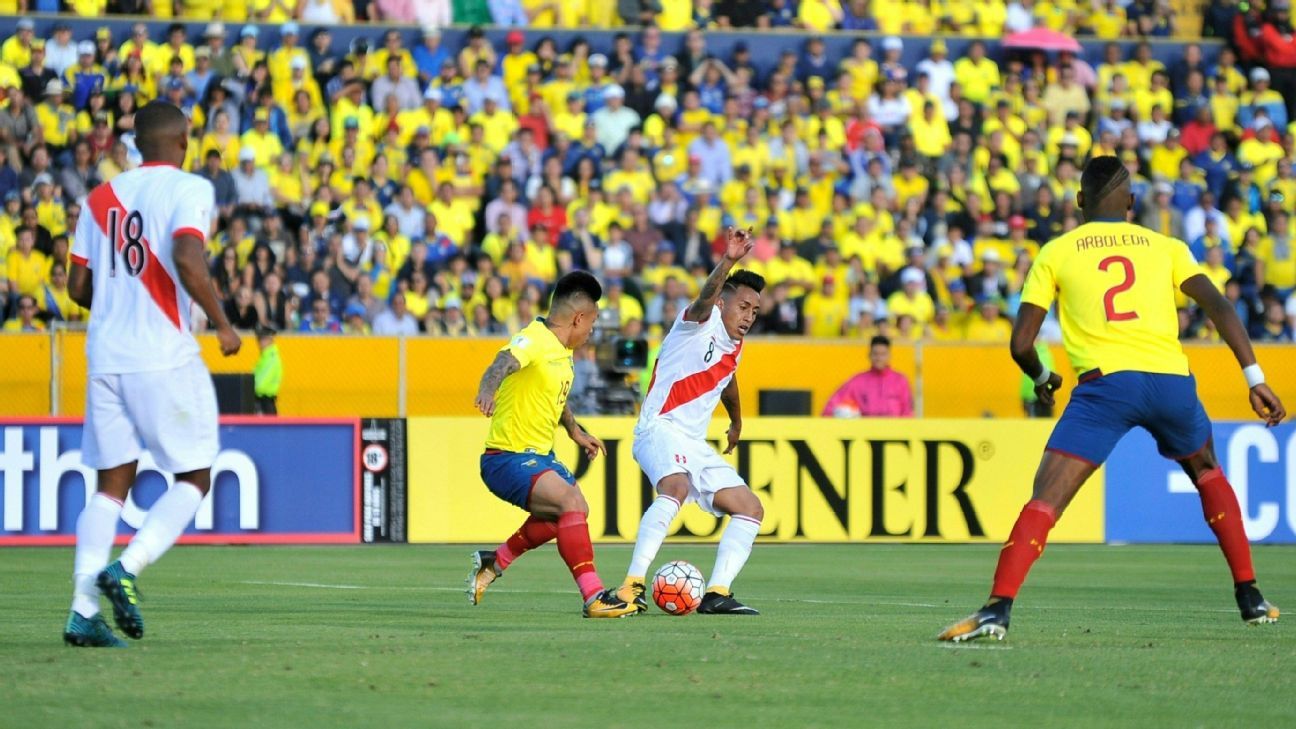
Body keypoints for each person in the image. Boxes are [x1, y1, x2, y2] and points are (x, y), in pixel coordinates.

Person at [939, 157, 1286, 643]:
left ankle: (998, 608)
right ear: (1131, 203)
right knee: (1206, 470)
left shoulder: (1056, 252)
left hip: (1106, 388)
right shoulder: (1166, 247)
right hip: (1170, 381)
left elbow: (1021, 344)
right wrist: (1254, 377)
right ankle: (1249, 595)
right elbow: (1219, 305)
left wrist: (1043, 376)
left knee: (1047, 497)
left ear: (1080, 201)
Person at [63, 101, 242, 648]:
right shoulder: (191, 188)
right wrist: (222, 324)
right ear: (184, 139)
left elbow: (75, 288)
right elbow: (188, 257)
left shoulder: (98, 198)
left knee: (109, 487)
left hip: (104, 355)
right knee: (195, 477)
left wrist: (118, 306)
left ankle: (82, 611)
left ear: (137, 143)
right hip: (162, 353)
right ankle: (128, 568)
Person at [615, 227, 768, 616]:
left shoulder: (735, 346)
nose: (748, 316)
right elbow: (704, 297)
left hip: (693, 443)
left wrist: (736, 420)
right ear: (723, 304)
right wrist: (729, 260)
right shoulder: (698, 322)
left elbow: (727, 377)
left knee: (750, 507)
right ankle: (631, 585)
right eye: (743, 307)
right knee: (676, 485)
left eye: (754, 311)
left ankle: (717, 593)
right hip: (659, 428)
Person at [465, 271, 636, 619]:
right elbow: (502, 362)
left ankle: (493, 562)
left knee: (573, 513)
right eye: (592, 322)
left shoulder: (562, 351)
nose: (592, 331)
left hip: (539, 456)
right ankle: (594, 598)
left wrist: (575, 431)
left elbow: (555, 397)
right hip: (506, 457)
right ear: (578, 318)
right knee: (570, 502)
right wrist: (487, 390)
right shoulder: (535, 339)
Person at [820, 335, 914, 417]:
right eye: (875, 354)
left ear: (889, 356)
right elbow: (833, 404)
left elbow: (908, 411)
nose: (879, 358)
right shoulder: (858, 381)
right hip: (866, 433)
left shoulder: (900, 380)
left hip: (894, 433)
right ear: (869, 355)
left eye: (883, 354)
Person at [253, 323, 282, 415]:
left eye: (262, 339)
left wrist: (246, 390)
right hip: (263, 403)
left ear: (270, 339)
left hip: (264, 404)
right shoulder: (266, 357)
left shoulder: (271, 358)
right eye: (258, 339)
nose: (259, 342)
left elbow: (260, 384)